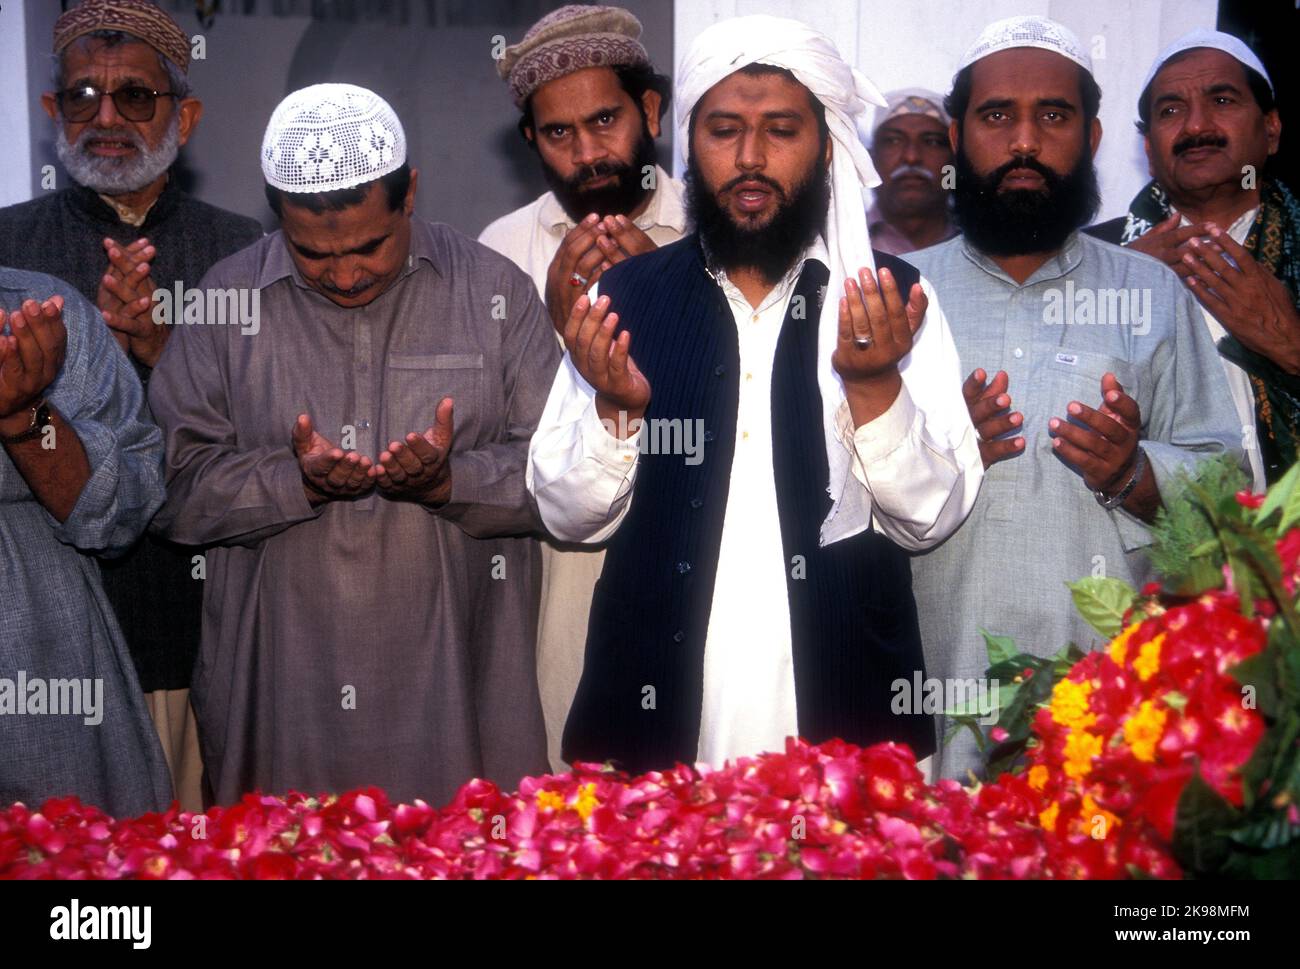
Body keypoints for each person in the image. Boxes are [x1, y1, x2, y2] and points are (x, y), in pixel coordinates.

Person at [528, 15, 982, 776]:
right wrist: (616, 412)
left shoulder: (894, 299)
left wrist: (874, 390)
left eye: (780, 130)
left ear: (826, 145)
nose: (749, 158)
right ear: (688, 146)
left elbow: (932, 518)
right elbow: (565, 515)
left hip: (847, 732)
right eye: (724, 130)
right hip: (657, 737)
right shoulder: (623, 297)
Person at [147, 84, 558, 806]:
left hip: (458, 693)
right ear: (275, 214)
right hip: (281, 701)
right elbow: (169, 490)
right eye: (313, 254)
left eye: (369, 246)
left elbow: (558, 478)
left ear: (410, 196)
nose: (345, 274)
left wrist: (446, 481)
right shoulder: (223, 301)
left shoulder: (495, 290)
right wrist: (293, 481)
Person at [907, 16, 1244, 782]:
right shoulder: (902, 291)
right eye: (998, 117)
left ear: (1091, 137)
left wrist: (1134, 472)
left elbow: (1230, 486)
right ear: (958, 135)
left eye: (1052, 116)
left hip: (1106, 712)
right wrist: (927, 451)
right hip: (923, 694)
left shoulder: (1152, 290)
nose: (1024, 142)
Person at [0, 0, 262, 810]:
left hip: (196, 625)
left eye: (134, 97)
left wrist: (161, 359)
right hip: (40, 642)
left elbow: (271, 431)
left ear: (183, 112)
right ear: (51, 112)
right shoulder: (9, 254)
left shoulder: (243, 248)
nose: (104, 117)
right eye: (81, 96)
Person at [479, 4, 687, 773]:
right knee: (575, 794)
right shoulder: (499, 252)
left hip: (697, 554)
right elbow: (492, 434)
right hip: (560, 574)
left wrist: (666, 302)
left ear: (652, 113)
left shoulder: (714, 229)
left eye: (606, 121)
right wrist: (562, 344)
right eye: (559, 134)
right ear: (531, 141)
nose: (589, 153)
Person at [1086, 30, 1298, 489]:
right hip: (1137, 547)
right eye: (1170, 111)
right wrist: (1114, 287)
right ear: (1148, 148)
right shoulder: (1090, 257)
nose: (1197, 126)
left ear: (1272, 129)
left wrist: (1291, 346)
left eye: (1222, 101)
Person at [0, 269, 170, 817]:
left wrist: (25, 416)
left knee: (66, 857)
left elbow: (130, 506)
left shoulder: (45, 311)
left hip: (42, 661)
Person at [866, 89, 959, 255]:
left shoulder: (986, 247)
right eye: (893, 141)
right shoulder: (835, 240)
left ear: (954, 162)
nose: (911, 157)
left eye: (933, 142)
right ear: (871, 158)